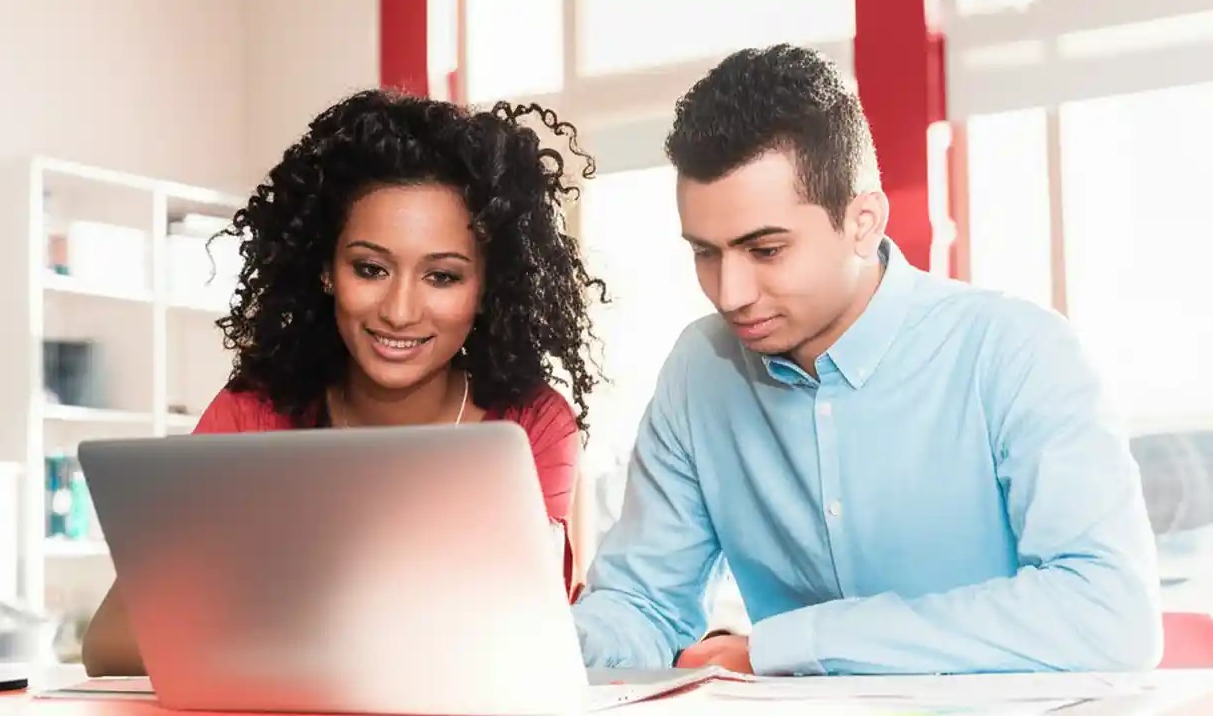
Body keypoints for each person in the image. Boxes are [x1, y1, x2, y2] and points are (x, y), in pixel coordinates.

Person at [571, 44, 1162, 676]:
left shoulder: (1017, 352)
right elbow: (642, 604)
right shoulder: (701, 370)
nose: (729, 293)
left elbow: (1108, 616)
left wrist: (789, 646)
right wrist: (516, 643)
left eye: (765, 250)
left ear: (863, 221)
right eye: (705, 253)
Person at [82, 90, 606, 676]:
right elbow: (109, 643)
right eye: (370, 268)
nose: (400, 311)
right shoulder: (253, 413)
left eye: (442, 276)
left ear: (487, 288)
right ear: (327, 269)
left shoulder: (532, 424)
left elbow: (516, 642)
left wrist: (269, 609)